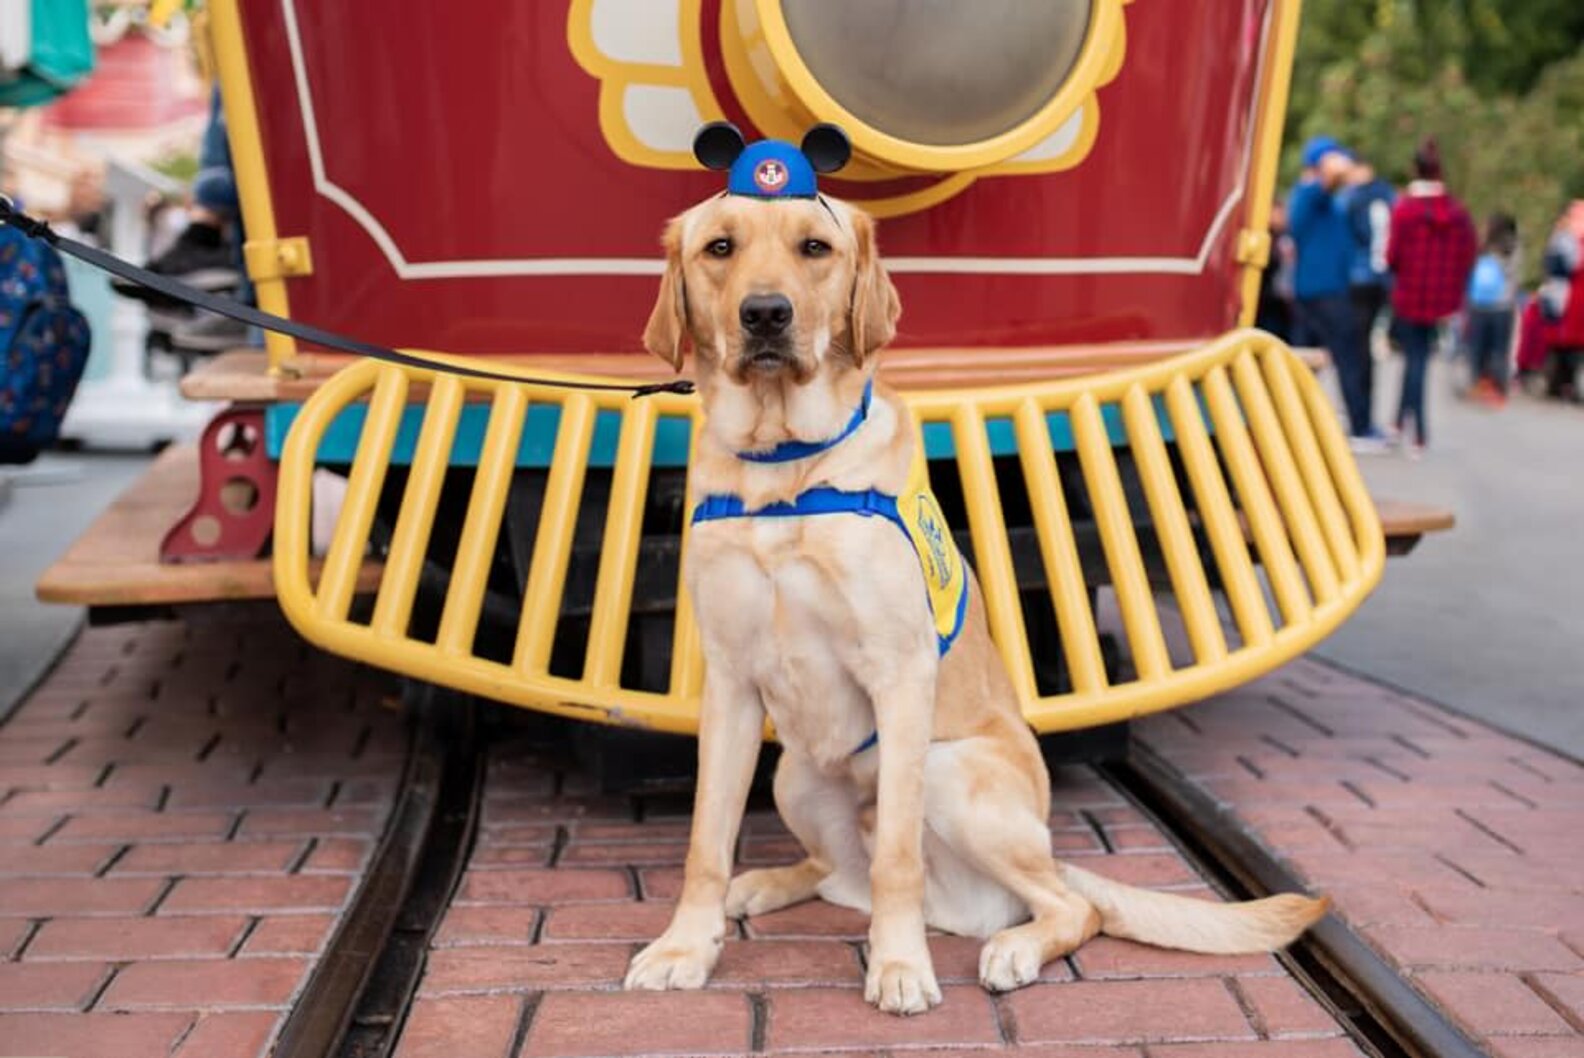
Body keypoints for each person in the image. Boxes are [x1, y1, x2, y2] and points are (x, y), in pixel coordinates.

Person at [1288, 136, 1381, 451]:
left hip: (1321, 290)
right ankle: (1359, 425)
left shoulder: (1320, 198)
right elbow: (1333, 174)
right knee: (1347, 356)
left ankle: (1301, 425)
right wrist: (1340, 165)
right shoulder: (1312, 193)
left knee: (1311, 361)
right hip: (1324, 292)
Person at [1386, 138, 1477, 457]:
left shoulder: (1405, 210)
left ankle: (1417, 433)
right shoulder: (1457, 212)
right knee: (1417, 358)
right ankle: (1400, 422)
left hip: (1410, 296)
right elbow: (1469, 253)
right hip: (1441, 300)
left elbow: (1392, 255)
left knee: (1414, 362)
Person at [1341, 153, 1396, 405]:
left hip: (1359, 275)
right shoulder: (1388, 196)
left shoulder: (1352, 198)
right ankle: (1364, 407)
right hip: (1382, 277)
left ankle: (1359, 407)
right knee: (1364, 347)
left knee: (1356, 346)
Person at [1463, 213, 1519, 406]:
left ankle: (1481, 383)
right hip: (1502, 305)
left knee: (1478, 347)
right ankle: (1497, 388)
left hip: (1480, 303)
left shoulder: (1483, 247)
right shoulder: (1513, 247)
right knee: (1499, 349)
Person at [1541, 200, 1584, 400]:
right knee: (1562, 344)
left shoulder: (1565, 241)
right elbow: (1557, 268)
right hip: (1565, 299)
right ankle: (1559, 384)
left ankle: (1565, 384)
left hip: (1574, 301)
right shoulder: (1564, 241)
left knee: (1571, 347)